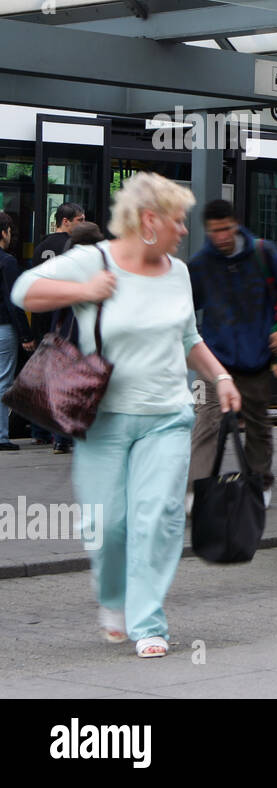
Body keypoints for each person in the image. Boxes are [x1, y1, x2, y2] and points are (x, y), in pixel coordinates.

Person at [11, 173, 240, 658]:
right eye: (178, 221)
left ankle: (149, 620)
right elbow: (24, 292)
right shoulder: (93, 260)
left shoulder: (178, 272)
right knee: (109, 524)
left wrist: (220, 378)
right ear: (149, 220)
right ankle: (113, 599)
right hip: (103, 418)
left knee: (157, 517)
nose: (184, 230)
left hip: (168, 415)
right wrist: (84, 290)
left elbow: (188, 339)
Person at [188, 199, 277, 506]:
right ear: (207, 231)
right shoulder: (202, 265)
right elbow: (184, 307)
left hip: (255, 359)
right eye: (215, 231)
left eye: (227, 229)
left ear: (236, 223)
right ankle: (196, 491)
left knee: (257, 425)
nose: (223, 237)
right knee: (207, 425)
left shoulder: (262, 254)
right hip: (216, 361)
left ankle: (259, 483)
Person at [29, 202, 85, 452]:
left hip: (44, 318)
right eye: (79, 220)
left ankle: (40, 430)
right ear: (66, 222)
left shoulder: (42, 246)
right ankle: (61, 436)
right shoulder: (72, 248)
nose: (82, 224)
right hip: (66, 321)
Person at [0, 213, 35, 451]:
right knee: (3, 382)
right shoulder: (8, 262)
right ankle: (1, 436)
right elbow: (14, 301)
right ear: (4, 232)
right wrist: (26, 335)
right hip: (3, 329)